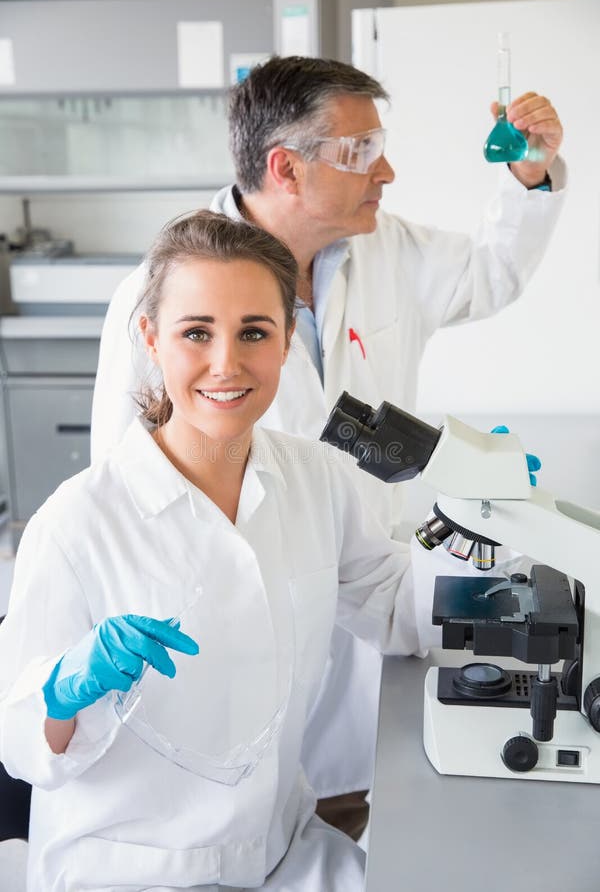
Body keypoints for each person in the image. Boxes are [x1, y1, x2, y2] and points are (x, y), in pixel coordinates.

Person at [90, 56, 566, 840]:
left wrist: (528, 179)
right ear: (285, 167)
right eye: (359, 151)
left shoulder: (387, 252)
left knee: (354, 813)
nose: (386, 170)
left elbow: (491, 271)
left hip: (379, 598)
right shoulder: (162, 294)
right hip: (231, 645)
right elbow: (123, 492)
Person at [0, 211, 445, 891]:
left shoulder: (314, 477)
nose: (226, 364)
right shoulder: (77, 523)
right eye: (196, 333)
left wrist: (489, 553)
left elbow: (391, 602)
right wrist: (63, 689)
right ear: (151, 338)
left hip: (281, 850)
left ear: (289, 338)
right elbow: (23, 744)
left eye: (254, 333)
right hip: (128, 868)